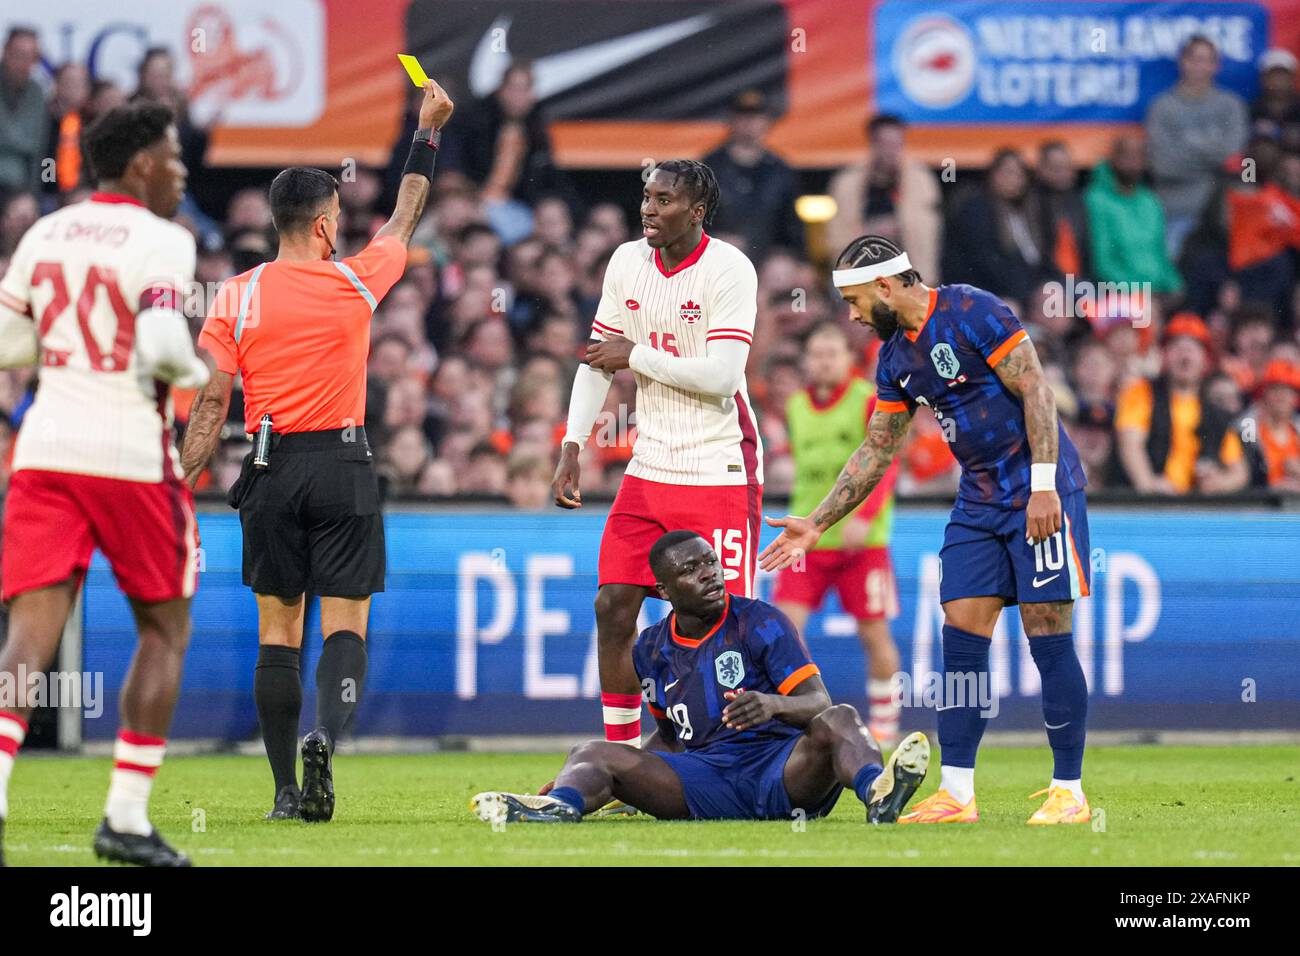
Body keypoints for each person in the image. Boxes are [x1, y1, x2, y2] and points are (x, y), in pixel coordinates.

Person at [180, 79, 455, 822]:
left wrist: (180, 481)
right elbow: (406, 212)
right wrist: (426, 129)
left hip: (268, 466)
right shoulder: (354, 284)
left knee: (278, 628)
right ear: (329, 225)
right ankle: (325, 739)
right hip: (342, 465)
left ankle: (281, 792)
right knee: (346, 626)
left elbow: (211, 400)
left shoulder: (235, 295)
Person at [761, 235, 1094, 826]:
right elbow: (878, 447)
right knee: (960, 634)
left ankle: (1069, 789)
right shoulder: (893, 358)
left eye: (856, 300)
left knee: (1047, 630)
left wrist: (1044, 485)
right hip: (978, 501)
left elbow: (1036, 390)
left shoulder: (974, 311)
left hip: (1041, 490)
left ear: (886, 287)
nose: (853, 315)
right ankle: (958, 793)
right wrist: (816, 523)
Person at [0, 102, 209, 866]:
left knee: (30, 630)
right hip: (126, 451)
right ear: (144, 164)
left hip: (45, 447)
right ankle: (123, 818)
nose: (184, 175)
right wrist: (197, 368)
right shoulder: (163, 240)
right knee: (166, 629)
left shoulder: (47, 230)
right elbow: (158, 343)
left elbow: (8, 339)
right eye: (176, 159)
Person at [471, 530, 930, 824]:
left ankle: (878, 793)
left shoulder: (760, 620)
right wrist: (594, 777)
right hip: (703, 779)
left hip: (784, 771)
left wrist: (773, 705)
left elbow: (816, 703)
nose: (710, 573)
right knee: (589, 751)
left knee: (842, 718)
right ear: (665, 592)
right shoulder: (650, 648)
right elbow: (670, 737)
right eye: (690, 570)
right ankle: (560, 808)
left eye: (710, 561)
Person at [552, 160, 762, 753]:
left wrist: (636, 356)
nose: (648, 208)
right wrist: (573, 443)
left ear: (696, 211)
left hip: (719, 461)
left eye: (664, 199)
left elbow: (723, 377)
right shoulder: (626, 262)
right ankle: (621, 757)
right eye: (645, 196)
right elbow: (599, 358)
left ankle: (732, 753)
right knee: (613, 604)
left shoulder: (729, 269)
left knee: (726, 622)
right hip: (648, 465)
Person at [771, 322, 904, 747]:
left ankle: (885, 724)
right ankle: (797, 717)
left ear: (849, 360)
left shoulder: (868, 401)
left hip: (862, 543)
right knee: (785, 631)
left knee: (873, 631)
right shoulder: (794, 406)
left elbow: (886, 460)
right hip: (807, 542)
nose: (823, 361)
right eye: (816, 354)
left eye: (832, 353)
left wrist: (866, 516)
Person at [1115, 313, 1248, 495]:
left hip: (1194, 509)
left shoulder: (1215, 412)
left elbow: (1239, 472)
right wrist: (1148, 484)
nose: (1185, 356)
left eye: (1192, 349)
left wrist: (1220, 483)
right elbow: (1130, 444)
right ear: (1164, 355)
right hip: (1150, 506)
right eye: (1177, 348)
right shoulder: (1141, 392)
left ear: (1205, 360)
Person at [1145, 35, 1249, 258]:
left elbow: (1234, 159)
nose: (1200, 66)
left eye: (1206, 60)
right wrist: (1213, 155)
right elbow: (1163, 165)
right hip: (1177, 211)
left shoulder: (1231, 105)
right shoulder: (1162, 107)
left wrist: (1187, 148)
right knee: (1175, 285)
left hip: (1224, 213)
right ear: (1183, 62)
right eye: (1194, 59)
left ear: (1216, 65)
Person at [827, 114, 941, 282]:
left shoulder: (922, 181)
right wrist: (871, 233)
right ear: (872, 144)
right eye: (885, 144)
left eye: (896, 144)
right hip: (860, 273)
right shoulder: (847, 182)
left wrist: (898, 227)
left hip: (908, 273)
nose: (891, 151)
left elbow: (930, 233)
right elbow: (836, 235)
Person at [701, 89, 803, 257]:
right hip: (718, 260)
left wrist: (793, 259)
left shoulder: (780, 170)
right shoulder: (708, 169)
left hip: (768, 264)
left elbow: (793, 227)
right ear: (731, 119)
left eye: (756, 116)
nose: (749, 122)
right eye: (743, 115)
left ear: (767, 121)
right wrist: (714, 241)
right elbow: (688, 224)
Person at [1084, 135, 1183, 295]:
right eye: (1127, 156)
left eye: (1139, 156)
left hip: (1156, 292)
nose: (1134, 163)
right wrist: (1139, 291)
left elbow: (1161, 253)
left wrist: (1174, 285)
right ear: (1113, 158)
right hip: (1118, 292)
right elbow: (1103, 263)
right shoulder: (1097, 200)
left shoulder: (1150, 201)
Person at [0, 26, 44, 195]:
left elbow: (43, 154)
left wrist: (35, 195)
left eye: (30, 58)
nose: (23, 64)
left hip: (21, 188)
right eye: (18, 55)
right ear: (5, 52)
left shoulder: (37, 93)